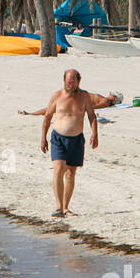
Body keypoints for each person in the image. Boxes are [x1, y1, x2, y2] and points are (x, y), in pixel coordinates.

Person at [40, 69, 99, 217]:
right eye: (67, 82)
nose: (70, 85)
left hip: (77, 139)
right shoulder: (57, 96)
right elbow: (47, 117)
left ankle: (66, 207)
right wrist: (43, 137)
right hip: (58, 138)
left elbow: (91, 116)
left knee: (71, 174)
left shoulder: (84, 96)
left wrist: (95, 134)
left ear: (78, 81)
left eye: (72, 83)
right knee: (59, 170)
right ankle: (59, 207)